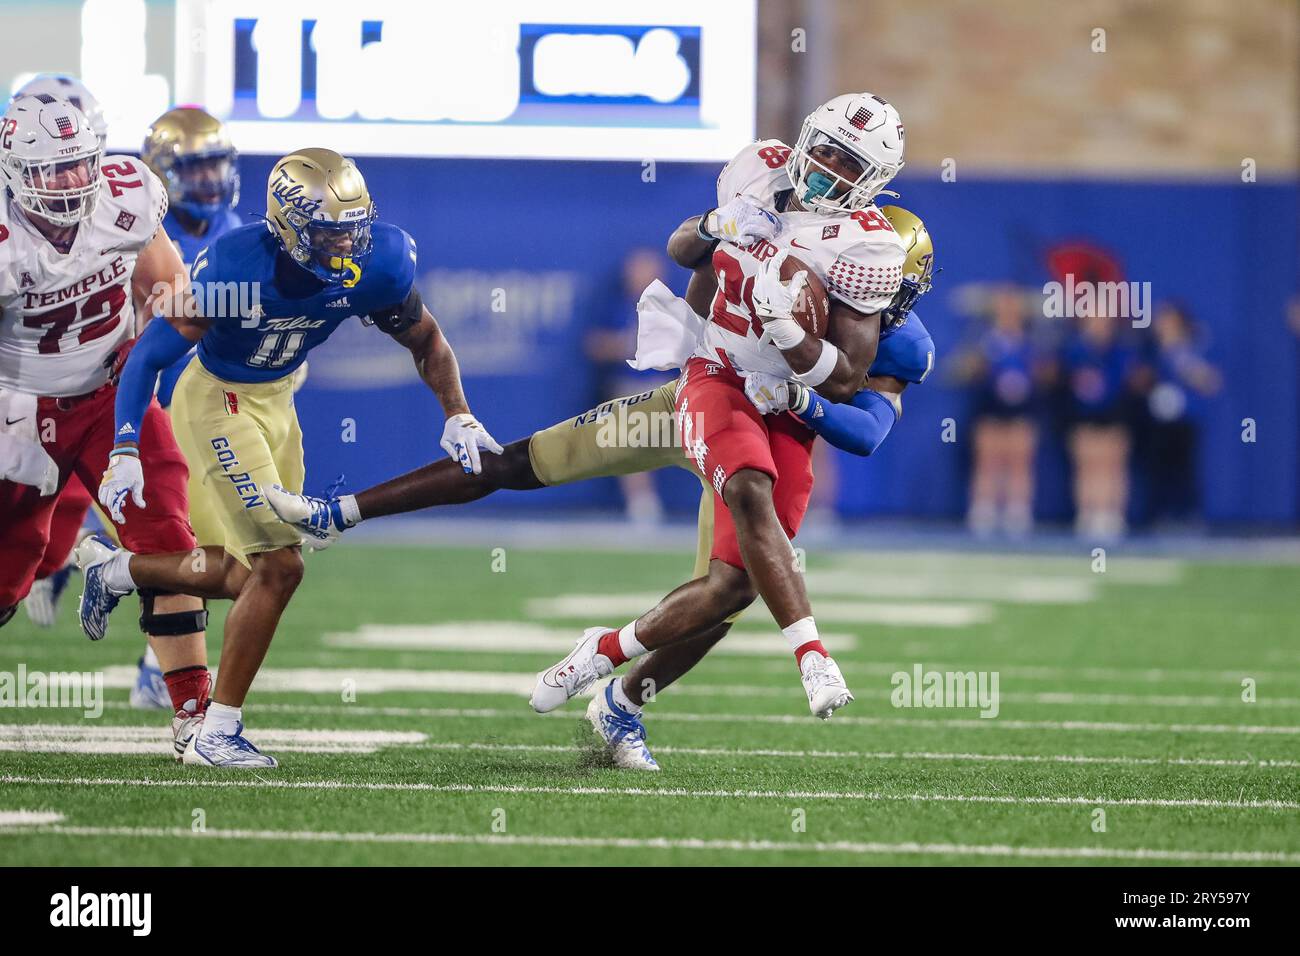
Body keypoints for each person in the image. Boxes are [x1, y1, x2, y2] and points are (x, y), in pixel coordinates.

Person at [265, 203, 936, 769]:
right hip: (695, 406)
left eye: (880, 285)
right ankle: (341, 512)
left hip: (771, 440)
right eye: (855, 278)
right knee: (520, 462)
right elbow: (696, 260)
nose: (866, 296)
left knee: (727, 597)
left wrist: (800, 396)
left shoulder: (901, 341)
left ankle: (621, 704)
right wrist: (718, 234)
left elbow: (867, 430)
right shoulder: (790, 257)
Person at [75, 148, 501, 768]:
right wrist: (125, 445)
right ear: (289, 227)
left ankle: (117, 571)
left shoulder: (379, 263)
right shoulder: (234, 269)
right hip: (217, 399)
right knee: (281, 567)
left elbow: (427, 339)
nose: (347, 243)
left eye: (355, 227)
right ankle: (215, 732)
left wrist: (458, 412)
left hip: (277, 402)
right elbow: (148, 356)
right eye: (330, 231)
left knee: (248, 576)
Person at [0, 94, 209, 708]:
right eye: (52, 169)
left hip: (111, 396)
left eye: (78, 163)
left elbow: (171, 294)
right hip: (21, 407)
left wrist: (147, 362)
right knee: (9, 574)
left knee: (169, 543)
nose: (70, 182)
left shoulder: (124, 197)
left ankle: (196, 716)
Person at [956, 285, 1045, 537]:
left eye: (1012, 308)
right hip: (990, 408)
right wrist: (979, 364)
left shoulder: (1031, 343)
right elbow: (964, 371)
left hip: (1022, 410)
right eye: (1003, 308)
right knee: (987, 460)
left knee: (1020, 461)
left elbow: (1044, 374)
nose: (1007, 313)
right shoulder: (984, 340)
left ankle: (1018, 511)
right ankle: (984, 509)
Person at [1136, 301, 1220, 526]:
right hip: (1157, 422)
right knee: (1157, 469)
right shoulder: (1150, 350)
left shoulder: (1189, 349)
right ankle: (1160, 513)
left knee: (1184, 470)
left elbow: (1211, 381)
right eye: (1161, 320)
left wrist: (1192, 372)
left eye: (1168, 321)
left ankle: (1187, 513)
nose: (1163, 325)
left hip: (1184, 420)